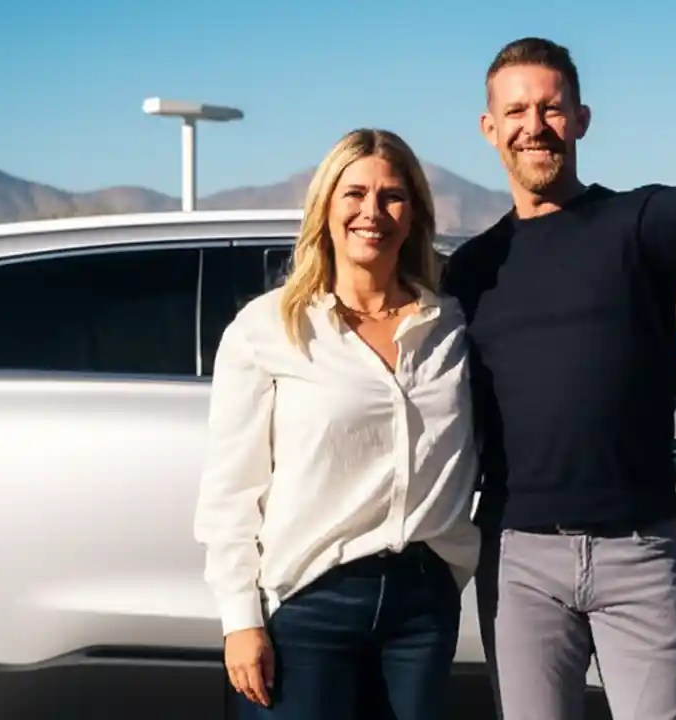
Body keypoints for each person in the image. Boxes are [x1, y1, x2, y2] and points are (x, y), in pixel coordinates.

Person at [440, 38, 676, 720]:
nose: (535, 125)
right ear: (489, 128)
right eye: (517, 110)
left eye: (551, 108)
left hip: (637, 555)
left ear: (581, 119)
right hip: (520, 558)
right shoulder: (470, 271)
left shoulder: (635, 225)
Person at [194, 127, 482, 720]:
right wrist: (240, 620)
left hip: (422, 610)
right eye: (354, 194)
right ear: (325, 206)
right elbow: (231, 490)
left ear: (414, 214)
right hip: (309, 605)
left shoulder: (450, 324)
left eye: (391, 196)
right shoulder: (267, 329)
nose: (371, 212)